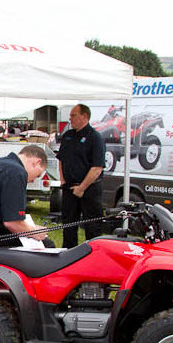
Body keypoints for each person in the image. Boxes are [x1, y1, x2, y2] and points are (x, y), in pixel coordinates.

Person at [58, 104, 105, 249]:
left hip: (89, 188)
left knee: (92, 226)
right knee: (69, 225)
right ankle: (69, 253)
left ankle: (93, 255)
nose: (70, 118)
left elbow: (97, 167)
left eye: (73, 115)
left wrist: (82, 187)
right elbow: (61, 159)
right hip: (69, 187)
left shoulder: (95, 137)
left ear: (84, 116)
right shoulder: (68, 136)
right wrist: (63, 180)